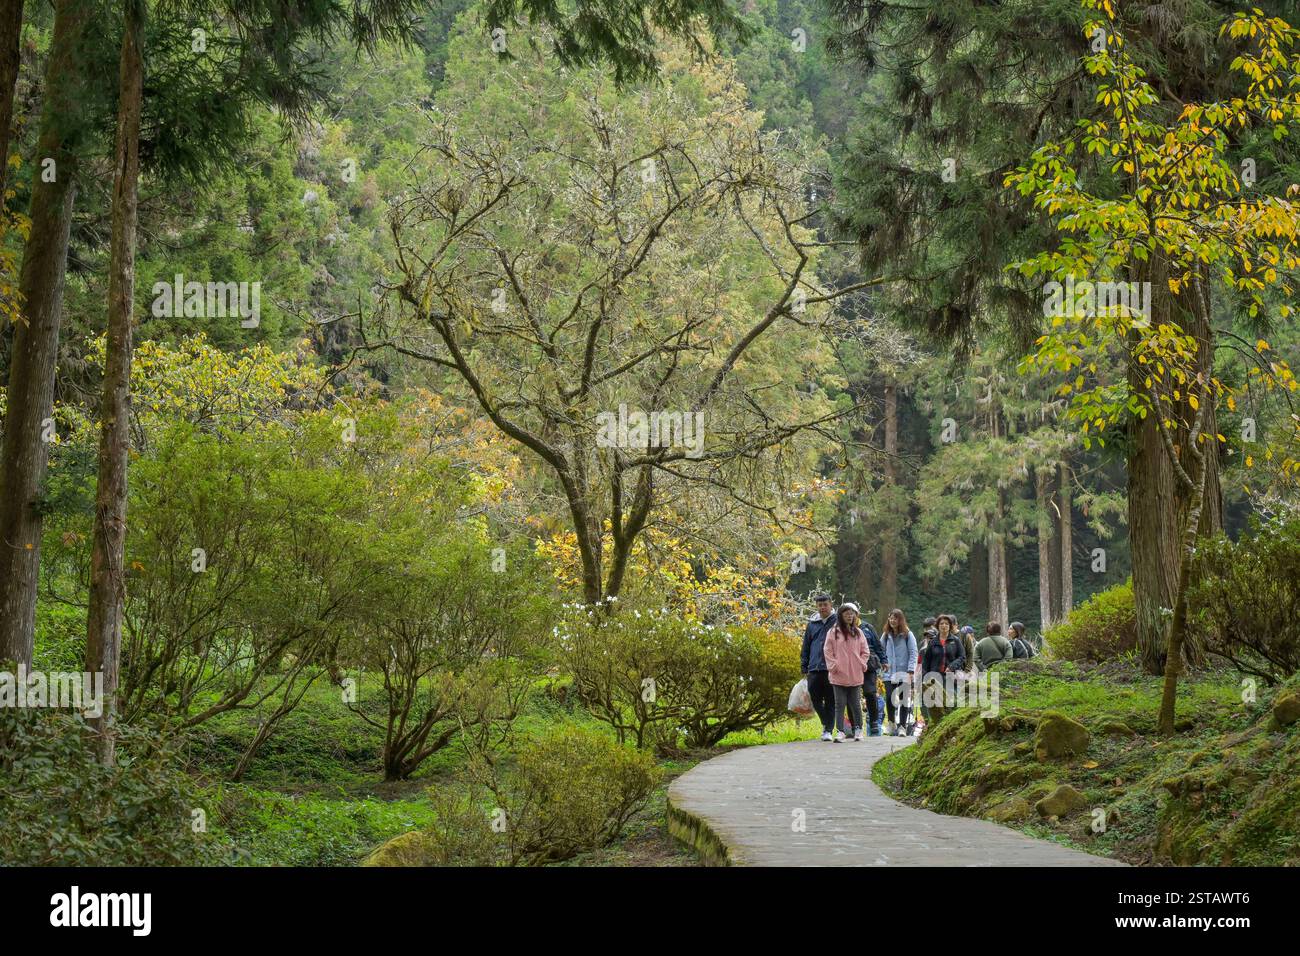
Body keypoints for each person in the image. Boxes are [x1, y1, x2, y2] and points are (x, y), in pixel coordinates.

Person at [823, 602, 870, 742]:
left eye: (852, 613)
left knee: (855, 703)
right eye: (846, 613)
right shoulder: (833, 632)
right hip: (838, 674)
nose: (850, 616)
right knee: (839, 704)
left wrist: (861, 663)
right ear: (841, 615)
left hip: (855, 674)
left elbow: (865, 651)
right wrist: (833, 666)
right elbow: (827, 651)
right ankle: (841, 731)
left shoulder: (858, 632)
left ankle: (858, 730)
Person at [800, 593, 838, 741]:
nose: (822, 608)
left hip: (831, 668)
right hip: (814, 667)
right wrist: (804, 666)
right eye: (819, 605)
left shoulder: (837, 622)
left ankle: (828, 730)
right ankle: (826, 723)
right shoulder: (812, 624)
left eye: (825, 605)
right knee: (815, 698)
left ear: (831, 604)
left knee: (830, 700)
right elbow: (806, 647)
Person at [920, 614, 966, 725]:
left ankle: (952, 724)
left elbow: (962, 657)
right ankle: (934, 725)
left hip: (950, 676)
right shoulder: (933, 642)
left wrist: (952, 666)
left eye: (946, 624)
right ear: (937, 626)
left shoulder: (955, 640)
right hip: (935, 677)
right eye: (941, 624)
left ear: (950, 626)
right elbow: (926, 662)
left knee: (952, 702)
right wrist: (924, 677)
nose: (944, 626)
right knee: (935, 702)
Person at [880, 608, 917, 736]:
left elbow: (913, 653)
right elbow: (881, 652)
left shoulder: (908, 634)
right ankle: (891, 723)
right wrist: (882, 667)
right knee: (890, 697)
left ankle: (902, 726)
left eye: (895, 618)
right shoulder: (885, 635)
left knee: (903, 699)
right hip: (889, 673)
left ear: (900, 620)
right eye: (890, 618)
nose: (892, 620)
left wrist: (911, 670)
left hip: (904, 672)